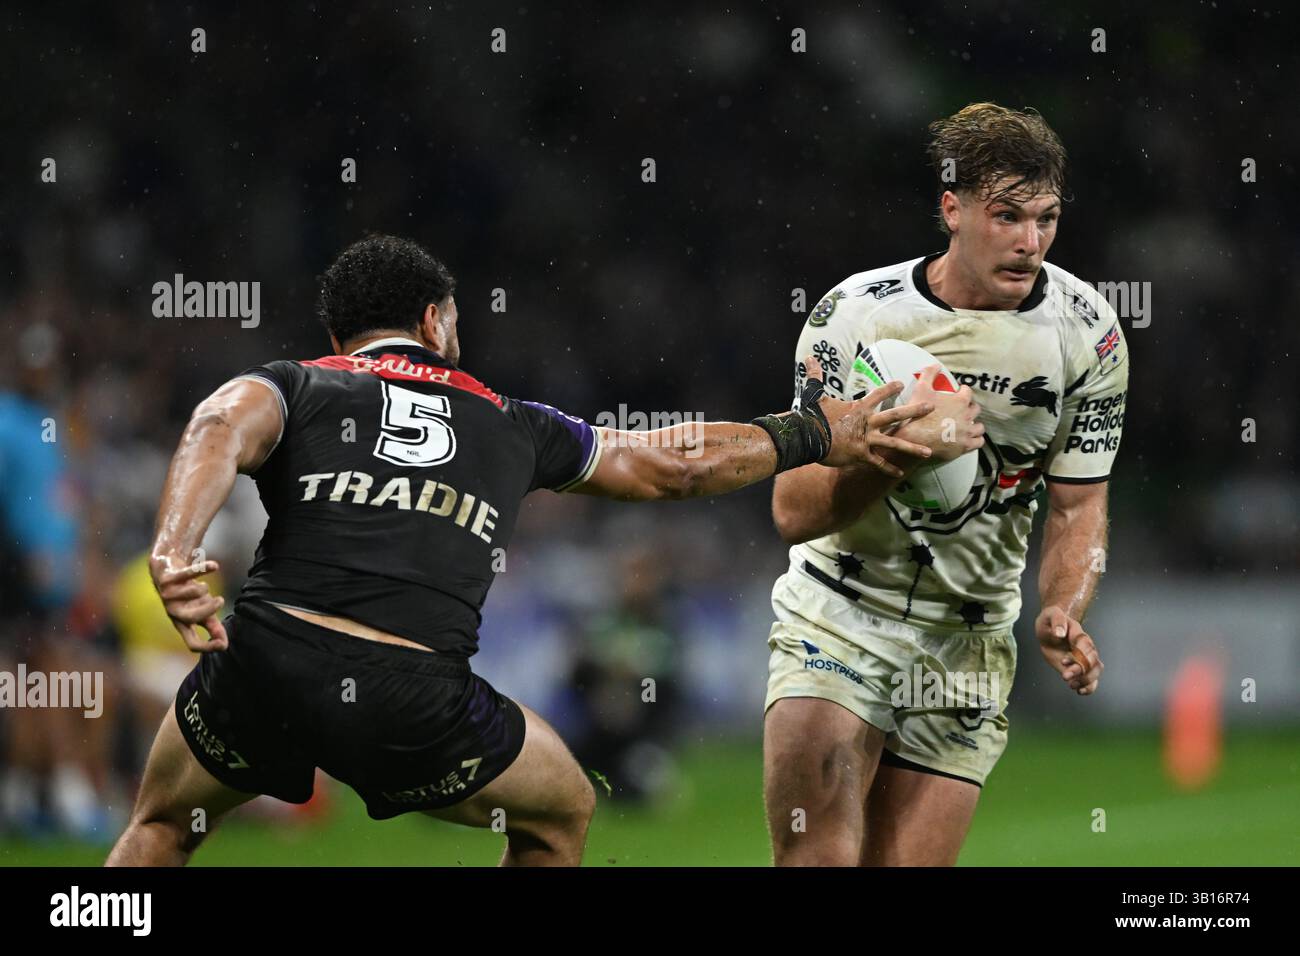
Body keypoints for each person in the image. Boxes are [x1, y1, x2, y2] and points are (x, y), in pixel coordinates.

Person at [105, 233, 968, 866]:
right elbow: (670, 465)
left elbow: (219, 423)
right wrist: (815, 430)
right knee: (562, 810)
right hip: (413, 695)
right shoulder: (512, 422)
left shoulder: (300, 382)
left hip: (265, 660)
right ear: (436, 321)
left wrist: (173, 549)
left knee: (158, 827)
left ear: (342, 341)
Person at [763, 102, 1129, 866]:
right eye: (1006, 216)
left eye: (1047, 219)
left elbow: (1079, 502)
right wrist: (897, 450)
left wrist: (1063, 605)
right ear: (952, 210)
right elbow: (792, 513)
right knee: (817, 858)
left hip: (970, 640)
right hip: (839, 613)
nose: (1030, 242)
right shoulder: (853, 317)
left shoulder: (1088, 332)